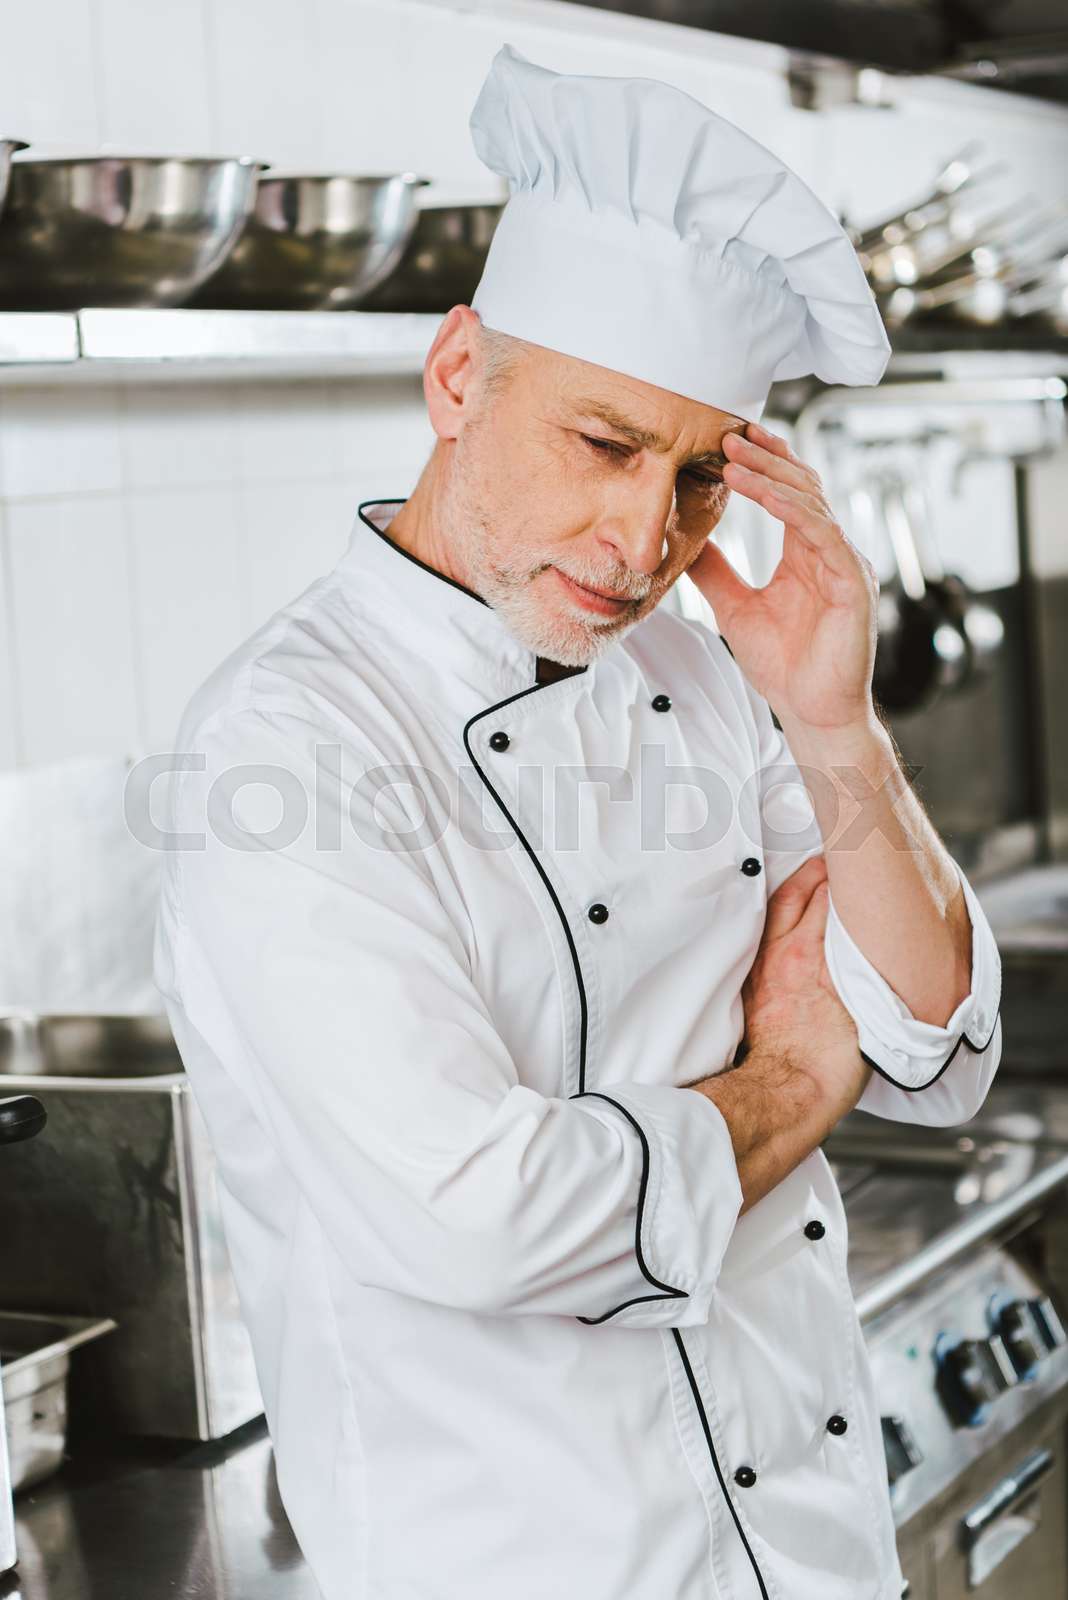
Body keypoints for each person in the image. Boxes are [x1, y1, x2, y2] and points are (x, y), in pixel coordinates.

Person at [153, 44, 1002, 1600]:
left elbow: (939, 1052)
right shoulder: (287, 746)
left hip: (811, 1553)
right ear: (461, 372)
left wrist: (835, 727)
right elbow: (487, 1220)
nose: (642, 543)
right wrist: (798, 1074)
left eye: (695, 481)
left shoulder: (699, 657)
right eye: (604, 445)